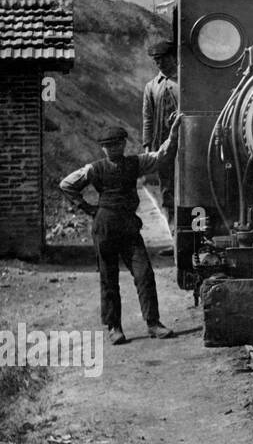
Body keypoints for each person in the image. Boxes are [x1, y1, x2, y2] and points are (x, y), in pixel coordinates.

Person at [60, 118, 182, 345]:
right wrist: (88, 208)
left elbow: (162, 156)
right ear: (102, 148)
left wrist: (173, 133)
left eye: (117, 144)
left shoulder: (136, 163)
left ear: (124, 144)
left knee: (144, 273)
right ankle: (114, 327)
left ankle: (153, 323)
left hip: (128, 227)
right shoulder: (94, 169)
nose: (113, 148)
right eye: (108, 145)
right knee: (109, 278)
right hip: (104, 227)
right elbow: (66, 184)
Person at [140, 38, 179, 230]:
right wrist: (148, 146)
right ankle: (173, 232)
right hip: (163, 147)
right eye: (156, 60)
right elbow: (147, 118)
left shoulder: (184, 82)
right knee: (167, 189)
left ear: (173, 57)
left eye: (163, 59)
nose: (159, 63)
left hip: (185, 145)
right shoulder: (151, 87)